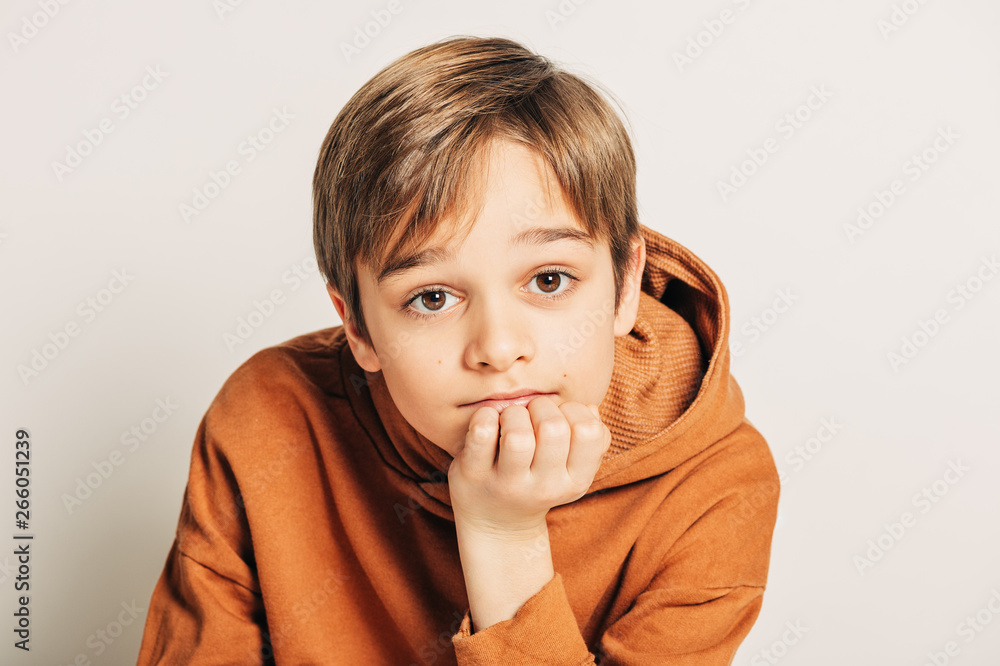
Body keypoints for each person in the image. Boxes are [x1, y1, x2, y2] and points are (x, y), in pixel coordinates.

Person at [137, 35, 780, 665]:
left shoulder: (721, 488)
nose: (499, 349)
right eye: (433, 298)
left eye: (549, 280)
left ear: (624, 287)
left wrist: (503, 534)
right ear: (357, 326)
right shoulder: (268, 420)